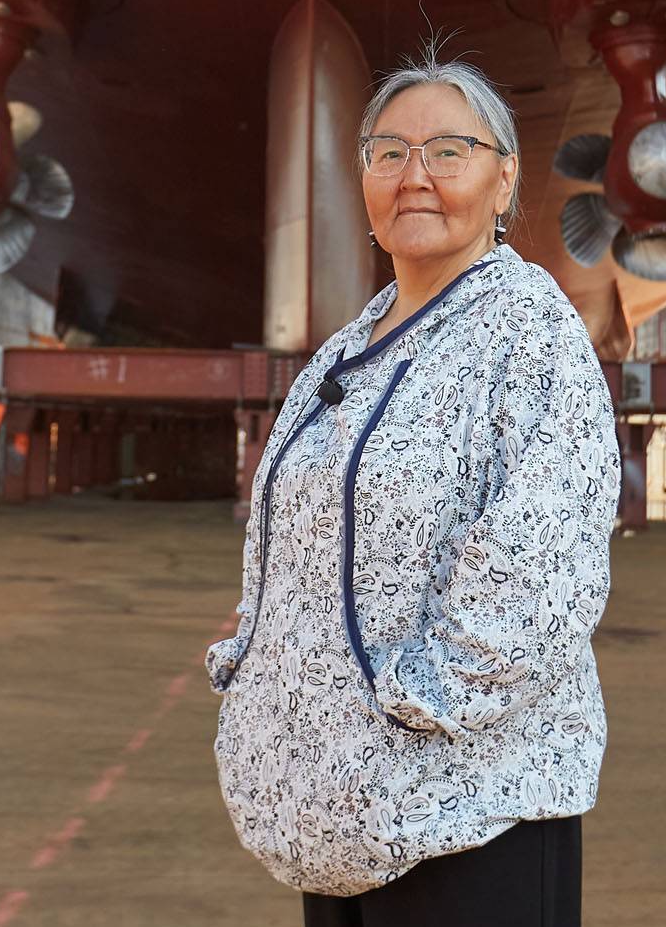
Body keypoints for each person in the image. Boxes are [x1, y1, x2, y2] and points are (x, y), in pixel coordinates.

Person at [209, 47, 620, 925]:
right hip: (343, 813)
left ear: (504, 181)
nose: (415, 176)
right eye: (388, 152)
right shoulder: (344, 350)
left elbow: (543, 556)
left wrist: (418, 704)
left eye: (448, 151)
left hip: (472, 809)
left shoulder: (533, 332)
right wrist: (259, 675)